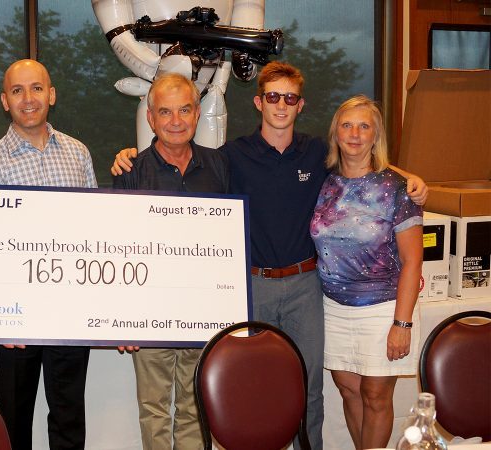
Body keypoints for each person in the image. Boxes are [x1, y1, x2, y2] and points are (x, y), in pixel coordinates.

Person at [110, 61, 428, 450]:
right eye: (273, 97)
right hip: (251, 287)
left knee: (308, 387)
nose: (281, 105)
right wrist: (128, 155)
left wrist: (408, 177)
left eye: (289, 98)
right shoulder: (230, 157)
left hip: (305, 287)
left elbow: (359, 158)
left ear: (300, 105)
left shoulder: (314, 153)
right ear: (259, 102)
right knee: (251, 385)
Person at [0, 59, 97, 450]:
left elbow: (96, 233)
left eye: (37, 88)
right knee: (12, 421)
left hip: (70, 313)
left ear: (51, 95)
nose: (28, 99)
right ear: (4, 101)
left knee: (69, 419)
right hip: (13, 321)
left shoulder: (78, 155)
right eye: (18, 91)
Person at [114, 73, 229, 449]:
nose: (175, 121)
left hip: (204, 313)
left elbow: (230, 242)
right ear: (150, 118)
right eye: (165, 112)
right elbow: (119, 248)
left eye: (184, 110)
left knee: (197, 407)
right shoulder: (130, 171)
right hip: (149, 316)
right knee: (154, 410)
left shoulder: (219, 166)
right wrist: (125, 318)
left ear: (197, 114)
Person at [310, 95, 423, 449]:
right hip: (332, 308)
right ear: (336, 134)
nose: (355, 134)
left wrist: (401, 324)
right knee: (348, 390)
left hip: (384, 308)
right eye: (347, 125)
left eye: (364, 126)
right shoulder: (324, 182)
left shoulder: (397, 189)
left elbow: (412, 262)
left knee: (375, 395)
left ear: (376, 136)